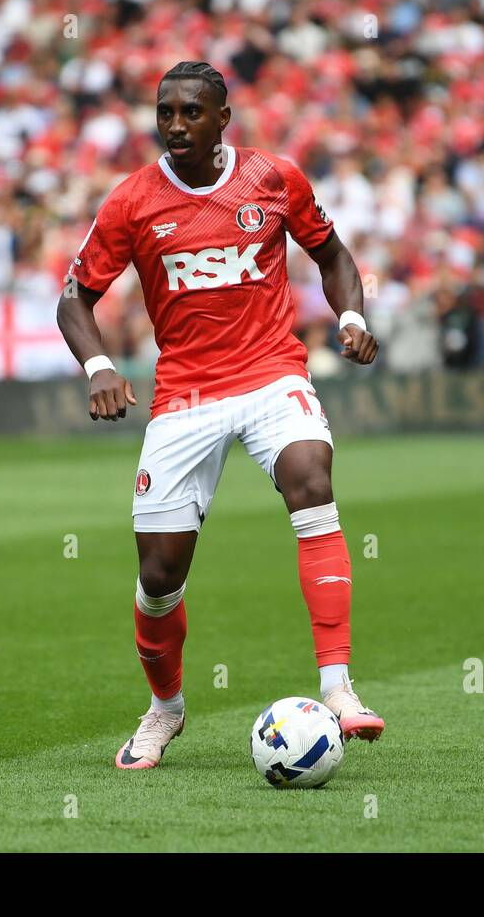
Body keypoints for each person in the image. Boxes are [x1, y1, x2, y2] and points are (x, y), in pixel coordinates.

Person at [57, 61, 385, 770]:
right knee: (158, 579)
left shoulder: (274, 178)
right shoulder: (132, 201)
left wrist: (352, 313)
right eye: (165, 112)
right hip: (185, 394)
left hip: (271, 372)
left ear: (222, 118)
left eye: (191, 113)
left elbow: (333, 254)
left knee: (311, 476)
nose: (176, 125)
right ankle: (165, 709)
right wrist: (100, 367)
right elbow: (74, 299)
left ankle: (338, 687)